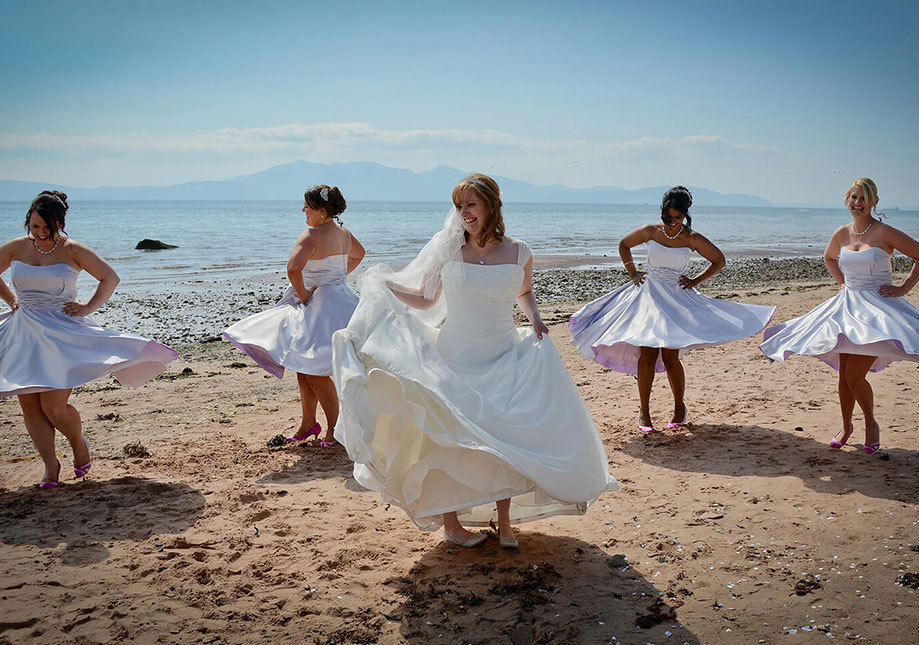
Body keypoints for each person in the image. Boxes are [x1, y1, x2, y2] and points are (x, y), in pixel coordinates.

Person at [332, 174, 617, 549]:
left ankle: (505, 522)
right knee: (449, 439)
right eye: (459, 206)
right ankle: (452, 524)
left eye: (470, 205)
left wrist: (534, 317)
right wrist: (386, 285)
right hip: (455, 355)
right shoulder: (449, 250)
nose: (463, 213)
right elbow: (426, 299)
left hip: (502, 352)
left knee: (503, 436)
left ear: (490, 206)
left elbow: (525, 292)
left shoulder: (519, 252)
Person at [0, 191, 178, 488]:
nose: (41, 234)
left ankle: (78, 444)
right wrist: (11, 300)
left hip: (61, 333)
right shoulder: (16, 248)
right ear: (28, 224)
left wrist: (86, 308)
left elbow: (110, 278)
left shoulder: (73, 250)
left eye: (48, 227)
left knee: (54, 407)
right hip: (24, 332)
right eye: (35, 227)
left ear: (60, 223)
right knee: (30, 406)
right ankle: (50, 467)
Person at [569, 186, 775, 434]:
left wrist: (694, 282)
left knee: (670, 357)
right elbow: (624, 245)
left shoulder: (692, 238)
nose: (673, 222)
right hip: (649, 297)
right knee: (646, 355)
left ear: (685, 215)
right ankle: (644, 412)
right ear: (663, 211)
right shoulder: (650, 231)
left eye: (678, 217)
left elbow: (719, 260)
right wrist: (632, 272)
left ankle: (679, 408)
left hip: (675, 299)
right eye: (669, 217)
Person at [760, 178, 919, 453]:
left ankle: (871, 423)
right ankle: (847, 427)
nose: (857, 204)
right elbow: (829, 258)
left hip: (877, 311)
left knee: (855, 376)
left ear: (873, 202)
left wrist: (904, 287)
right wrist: (842, 283)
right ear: (848, 199)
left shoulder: (885, 232)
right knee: (844, 376)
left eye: (863, 199)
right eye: (854, 198)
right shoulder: (842, 233)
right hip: (846, 308)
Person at [224, 185, 364, 446]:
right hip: (341, 300)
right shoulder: (344, 233)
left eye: (307, 207)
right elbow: (359, 254)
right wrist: (338, 277)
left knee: (316, 371)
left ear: (322, 212)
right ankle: (308, 424)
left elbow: (293, 269)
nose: (303, 211)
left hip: (320, 306)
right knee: (303, 365)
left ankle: (335, 431)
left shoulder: (311, 235)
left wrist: (303, 295)